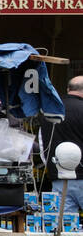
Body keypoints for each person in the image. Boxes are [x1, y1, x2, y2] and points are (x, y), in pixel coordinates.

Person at [47, 75, 83, 216]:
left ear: (68, 89)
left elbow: (44, 145)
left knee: (64, 228)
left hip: (59, 178)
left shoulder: (51, 110)